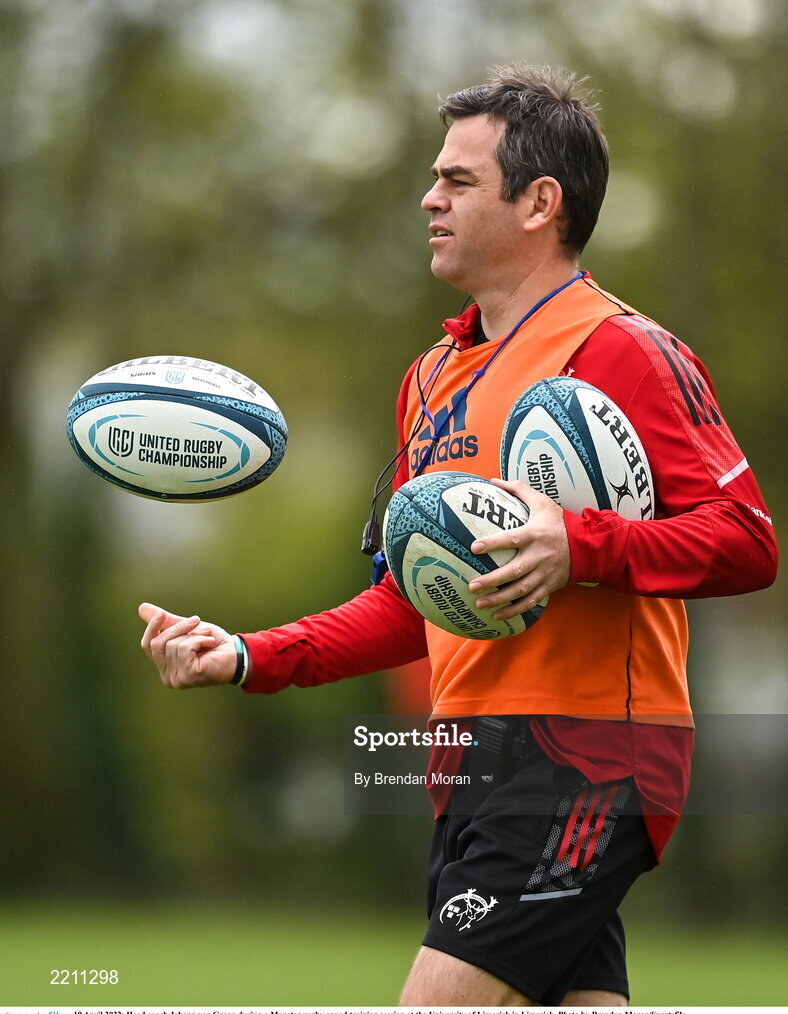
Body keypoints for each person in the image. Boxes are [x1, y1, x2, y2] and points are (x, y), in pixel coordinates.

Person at [138, 65, 777, 1006]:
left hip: (588, 755)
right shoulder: (431, 378)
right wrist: (245, 654)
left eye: (458, 180)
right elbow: (410, 601)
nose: (429, 198)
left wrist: (580, 545)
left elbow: (748, 539)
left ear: (540, 203)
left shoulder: (625, 350)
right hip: (469, 764)